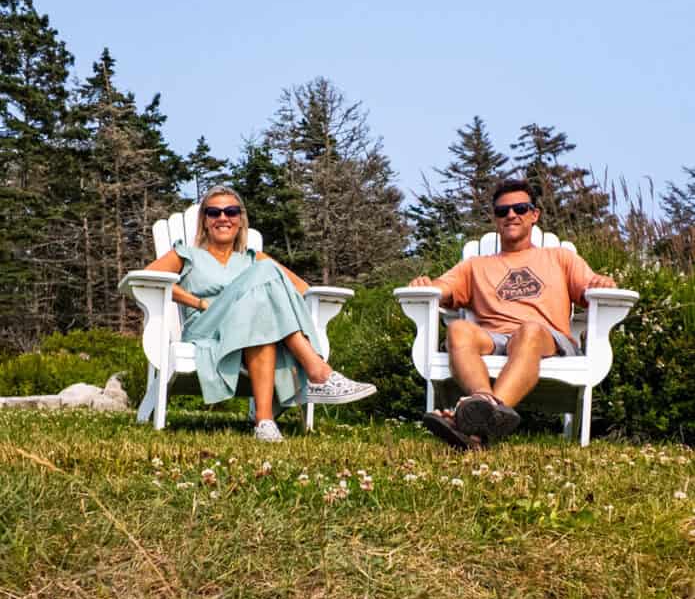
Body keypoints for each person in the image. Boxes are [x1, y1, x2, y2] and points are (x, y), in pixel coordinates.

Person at [145, 185, 376, 441]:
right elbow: (149, 279)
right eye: (214, 212)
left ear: (240, 220)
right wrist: (197, 302)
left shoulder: (252, 258)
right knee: (266, 271)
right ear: (205, 220)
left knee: (262, 318)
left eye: (231, 211)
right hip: (206, 328)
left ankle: (264, 423)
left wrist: (272, 304)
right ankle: (318, 370)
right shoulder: (186, 254)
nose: (223, 218)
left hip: (248, 329)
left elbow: (301, 289)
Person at [409, 178, 616, 447]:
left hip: (545, 339)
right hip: (494, 339)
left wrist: (602, 282)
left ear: (534, 215)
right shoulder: (475, 265)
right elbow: (441, 288)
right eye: (502, 211)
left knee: (528, 331)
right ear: (495, 219)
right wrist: (425, 284)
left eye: (519, 208)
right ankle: (482, 407)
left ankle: (474, 418)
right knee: (458, 329)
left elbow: (591, 286)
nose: (510, 215)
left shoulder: (560, 258)